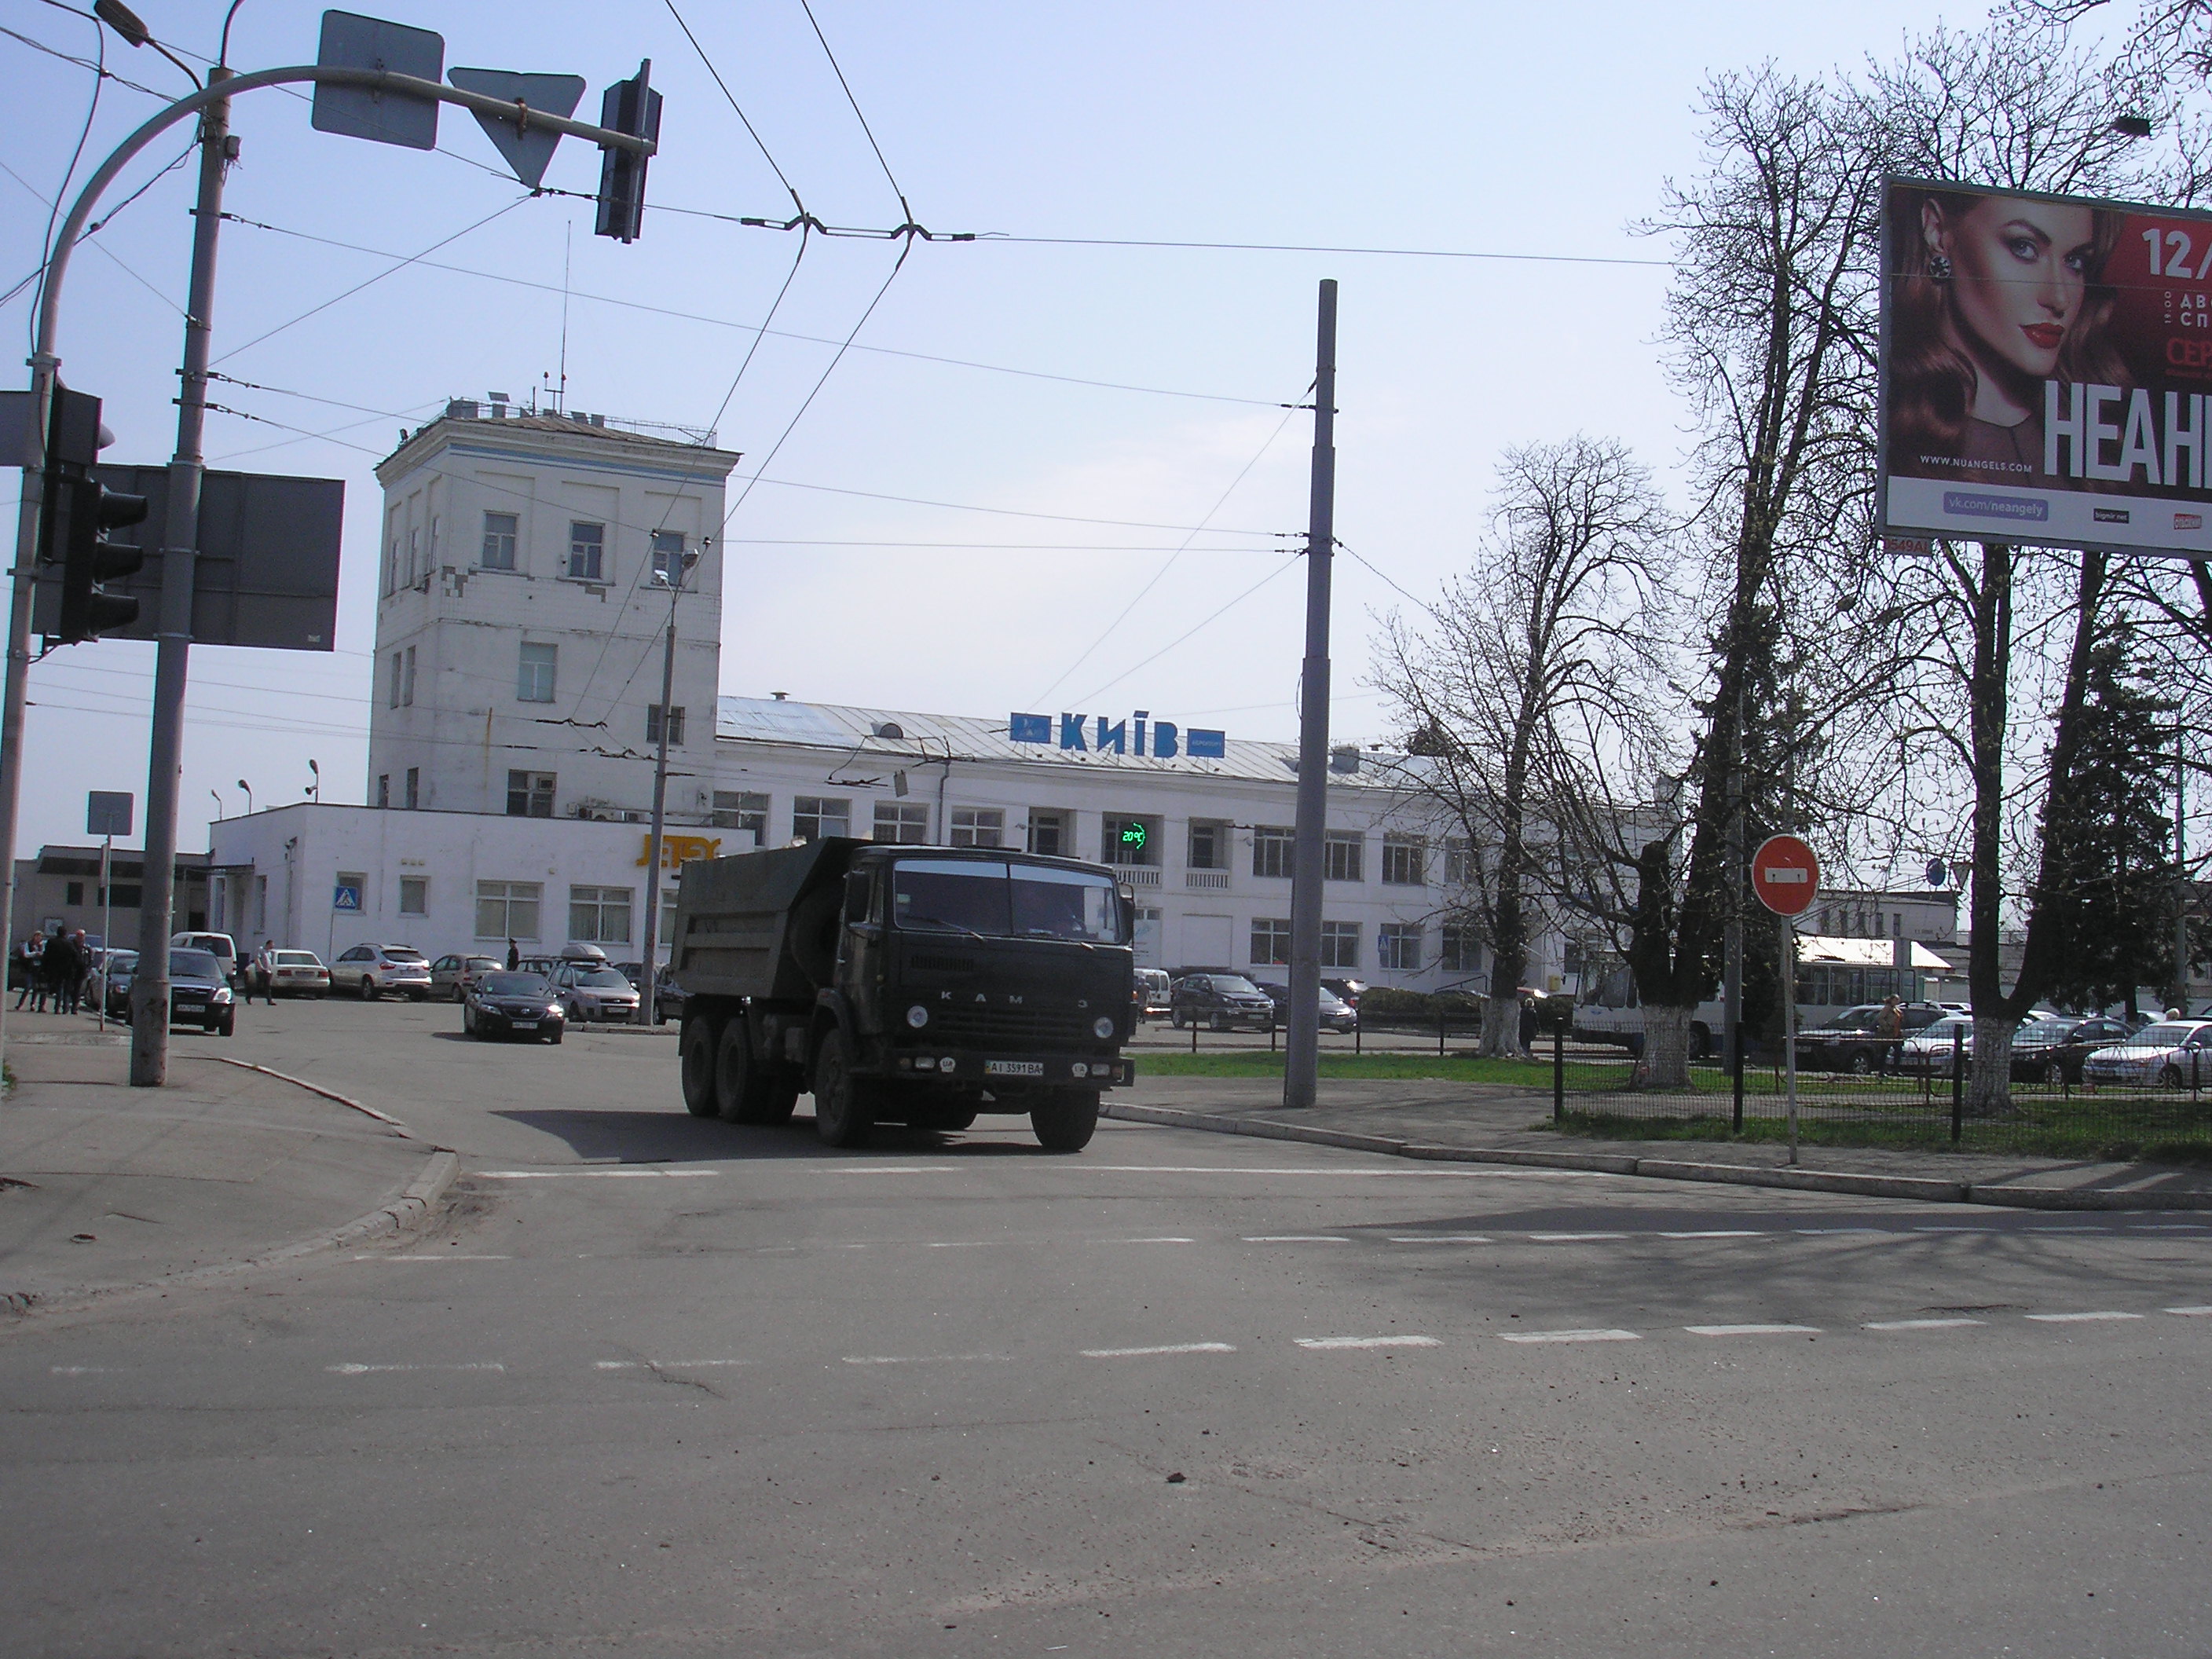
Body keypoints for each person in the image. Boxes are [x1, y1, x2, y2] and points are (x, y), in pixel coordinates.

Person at [1885, 183, 2126, 485]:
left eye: (2075, 262)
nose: (2059, 298)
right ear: (1937, 232)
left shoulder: (2094, 449)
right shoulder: (1903, 439)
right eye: (2023, 248)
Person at [1877, 994, 1906, 1072]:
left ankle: (1896, 1070)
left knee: (1898, 1051)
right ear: (1891, 1000)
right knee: (1884, 1052)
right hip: (1888, 1034)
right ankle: (1882, 1071)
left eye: (1898, 1000)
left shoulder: (1897, 1009)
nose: (1897, 1002)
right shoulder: (1887, 1008)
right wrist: (1887, 1027)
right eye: (1895, 1000)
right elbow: (1880, 1018)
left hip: (1896, 1033)